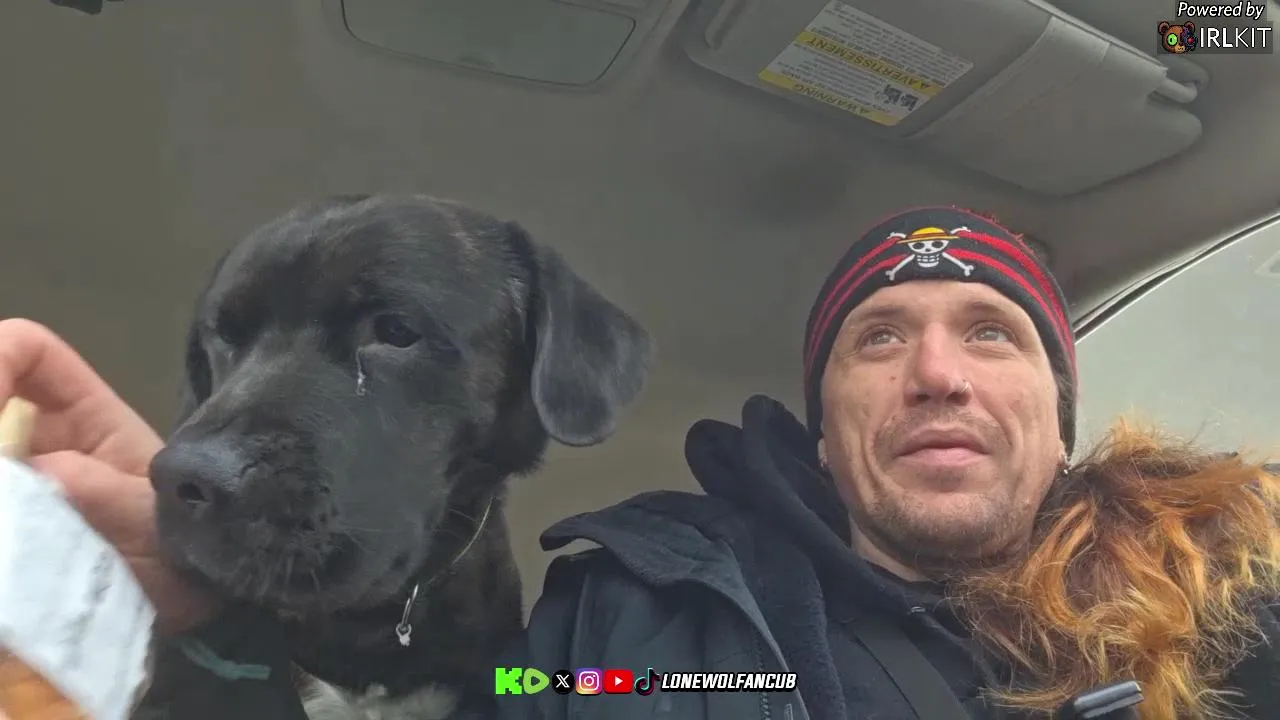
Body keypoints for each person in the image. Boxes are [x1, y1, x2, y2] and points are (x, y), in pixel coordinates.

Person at [2, 206, 1278, 720]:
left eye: (990, 333)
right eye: (878, 338)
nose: (935, 371)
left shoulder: (1235, 603)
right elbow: (502, 692)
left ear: (1057, 413)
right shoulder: (626, 622)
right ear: (823, 425)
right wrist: (216, 641)